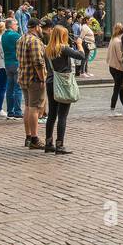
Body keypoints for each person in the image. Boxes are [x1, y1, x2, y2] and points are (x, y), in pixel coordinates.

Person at [42, 25, 83, 154]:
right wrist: (79, 44)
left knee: (52, 114)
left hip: (50, 82)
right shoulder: (63, 48)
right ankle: (60, 145)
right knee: (63, 115)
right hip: (63, 82)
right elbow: (81, 56)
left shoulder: (47, 49)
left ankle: (49, 143)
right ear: (62, 36)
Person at [18, 19, 49, 146]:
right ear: (36, 27)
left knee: (27, 107)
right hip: (34, 78)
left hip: (23, 76)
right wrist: (42, 78)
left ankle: (28, 137)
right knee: (34, 108)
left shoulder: (21, 39)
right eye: (40, 27)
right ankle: (35, 138)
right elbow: (38, 62)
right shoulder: (35, 41)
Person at [107, 22, 123, 116]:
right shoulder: (118, 42)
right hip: (119, 68)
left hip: (112, 67)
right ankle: (112, 109)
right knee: (117, 88)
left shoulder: (112, 39)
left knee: (120, 88)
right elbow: (121, 58)